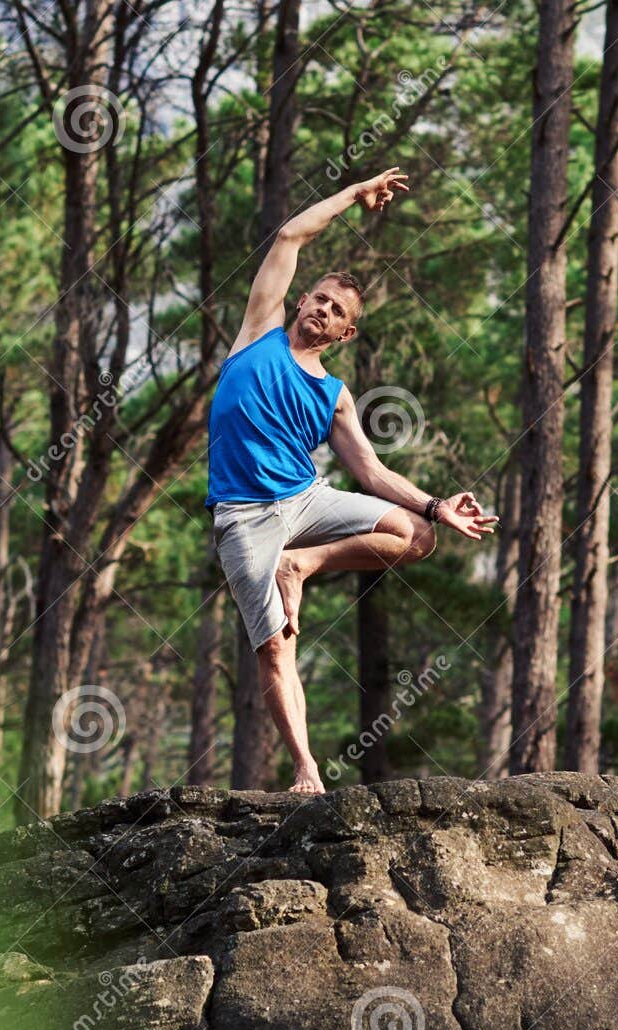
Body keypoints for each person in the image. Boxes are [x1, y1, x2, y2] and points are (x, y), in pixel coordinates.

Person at [206, 167, 499, 794]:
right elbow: (288, 237)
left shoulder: (335, 395)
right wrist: (353, 194)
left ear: (346, 333)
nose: (321, 310)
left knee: (417, 535)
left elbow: (369, 471)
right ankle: (306, 770)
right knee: (276, 647)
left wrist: (436, 503)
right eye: (317, 299)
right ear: (302, 300)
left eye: (336, 311)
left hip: (304, 500)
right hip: (243, 514)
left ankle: (302, 565)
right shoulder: (259, 331)